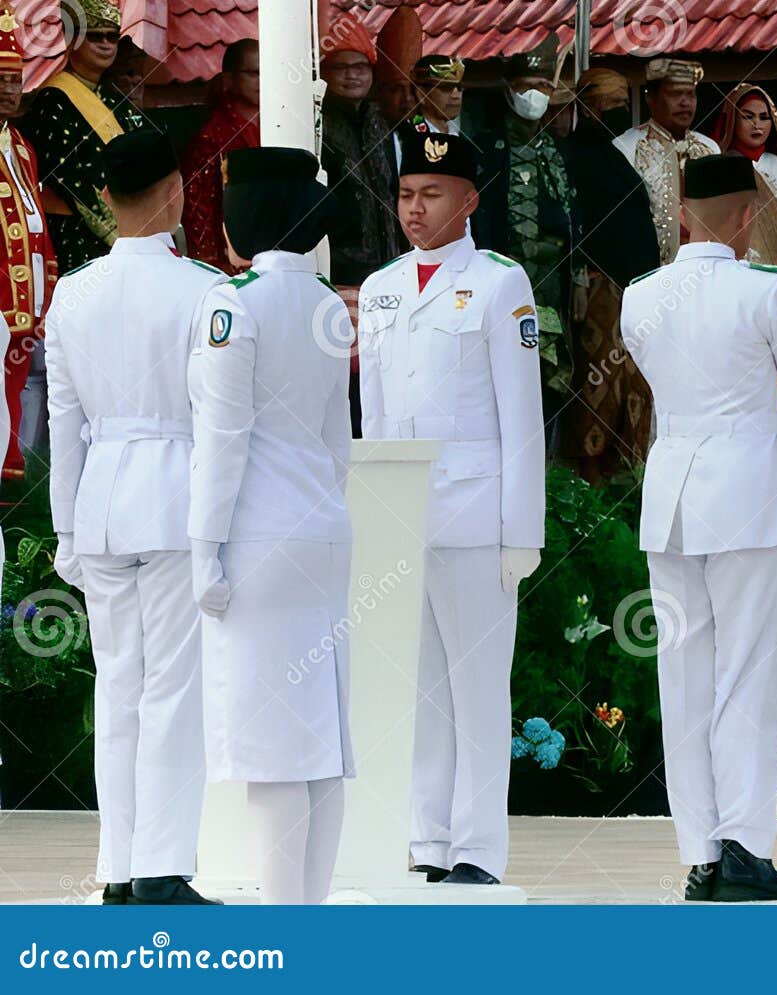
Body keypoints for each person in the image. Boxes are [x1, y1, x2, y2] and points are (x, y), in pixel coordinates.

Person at [620, 155, 777, 901]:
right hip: (746, 499)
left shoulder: (641, 296)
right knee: (748, 678)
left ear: (685, 214)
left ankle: (700, 853)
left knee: (685, 679)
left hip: (672, 498)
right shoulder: (767, 289)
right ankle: (744, 849)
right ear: (744, 218)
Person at [358, 132, 544, 887]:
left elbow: (521, 416)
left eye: (432, 193)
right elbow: (370, 416)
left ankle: (477, 848)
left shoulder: (500, 283)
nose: (415, 208)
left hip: (474, 511)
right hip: (401, 514)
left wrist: (520, 530)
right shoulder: (380, 288)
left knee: (475, 687)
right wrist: (368, 518)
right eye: (406, 194)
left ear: (469, 200)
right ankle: (427, 838)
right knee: (419, 687)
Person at [46, 129, 224, 906]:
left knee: (116, 685)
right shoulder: (205, 290)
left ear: (110, 200)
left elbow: (63, 422)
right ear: (177, 192)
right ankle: (161, 864)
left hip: (101, 502)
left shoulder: (73, 291)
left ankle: (118, 863)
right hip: (177, 496)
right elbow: (218, 422)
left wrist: (64, 531)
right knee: (174, 689)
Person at [188, 146, 353, 905]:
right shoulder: (325, 302)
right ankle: (307, 916)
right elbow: (334, 439)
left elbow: (222, 440)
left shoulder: (233, 303)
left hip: (255, 532)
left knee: (273, 747)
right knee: (320, 740)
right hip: (321, 526)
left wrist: (203, 550)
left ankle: (286, 932)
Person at [560, 67, 659, 483]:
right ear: (590, 104)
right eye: (613, 104)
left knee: (634, 388)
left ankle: (627, 484)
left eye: (624, 102)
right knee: (598, 389)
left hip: (636, 290)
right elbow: (575, 225)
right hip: (601, 288)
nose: (620, 111)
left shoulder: (613, 153)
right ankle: (590, 485)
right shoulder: (571, 155)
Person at [475, 49, 575, 407]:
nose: (536, 95)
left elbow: (571, 216)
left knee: (551, 368)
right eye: (527, 86)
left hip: (551, 280)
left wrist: (575, 275)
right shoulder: (488, 147)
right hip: (508, 276)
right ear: (509, 90)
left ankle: (548, 453)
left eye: (544, 86)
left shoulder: (557, 149)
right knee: (508, 362)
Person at [22, 0, 142, 274]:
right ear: (72, 40)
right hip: (79, 240)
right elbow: (71, 181)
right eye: (94, 36)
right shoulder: (51, 102)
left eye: (112, 37)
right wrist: (120, 237)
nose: (105, 44)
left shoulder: (115, 99)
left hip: (130, 237)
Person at [0, 7, 55, 481]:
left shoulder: (20, 145)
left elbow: (38, 228)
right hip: (0, 311)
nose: (8, 87)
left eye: (14, 78)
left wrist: (48, 295)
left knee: (22, 406)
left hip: (30, 310)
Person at [320, 14, 403, 286]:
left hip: (390, 264)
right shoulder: (317, 123)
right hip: (340, 269)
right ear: (323, 73)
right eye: (340, 67)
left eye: (360, 67)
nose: (352, 75)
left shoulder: (382, 121)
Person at [614, 57, 718, 267]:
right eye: (675, 94)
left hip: (705, 269)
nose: (685, 102)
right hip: (647, 270)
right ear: (650, 99)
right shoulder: (627, 146)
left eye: (690, 94)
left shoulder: (710, 149)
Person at [708, 85, 777, 283]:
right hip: (730, 280)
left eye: (764, 117)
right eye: (748, 117)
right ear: (732, 120)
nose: (757, 124)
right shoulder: (718, 167)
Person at [180, 39, 261, 273]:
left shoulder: (280, 121)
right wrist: (212, 268)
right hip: (229, 262)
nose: (262, 80)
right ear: (229, 79)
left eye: (266, 71)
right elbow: (199, 212)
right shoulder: (211, 137)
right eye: (253, 73)